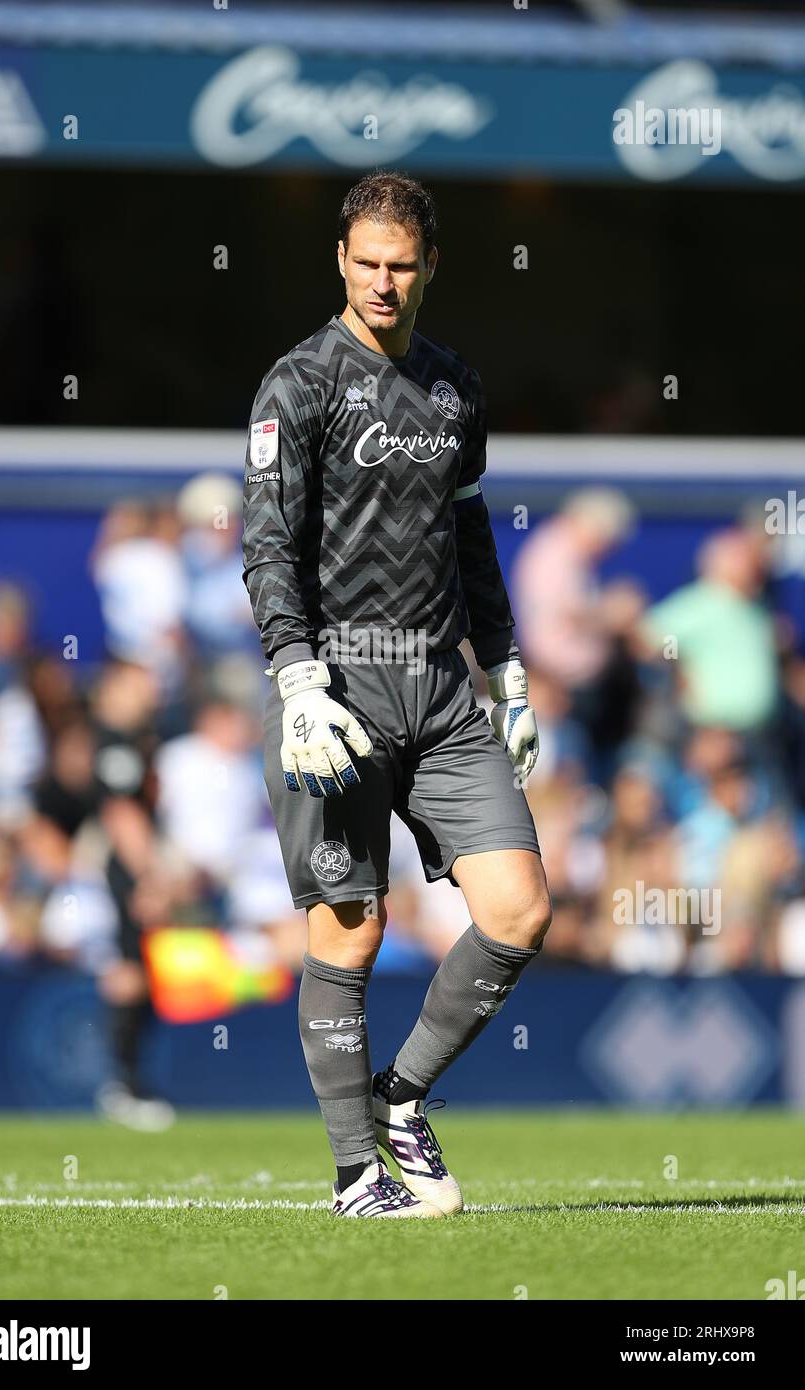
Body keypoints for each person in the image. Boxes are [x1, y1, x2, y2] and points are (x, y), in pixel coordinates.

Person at [242, 170, 551, 1219]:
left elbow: (472, 539)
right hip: (333, 688)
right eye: (365, 263)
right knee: (350, 929)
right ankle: (352, 1174)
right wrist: (294, 679)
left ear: (428, 268)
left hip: (440, 688)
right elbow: (267, 549)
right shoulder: (297, 384)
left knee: (519, 910)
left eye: (400, 266)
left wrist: (505, 670)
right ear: (340, 259)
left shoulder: (454, 388)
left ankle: (400, 1098)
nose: (382, 281)